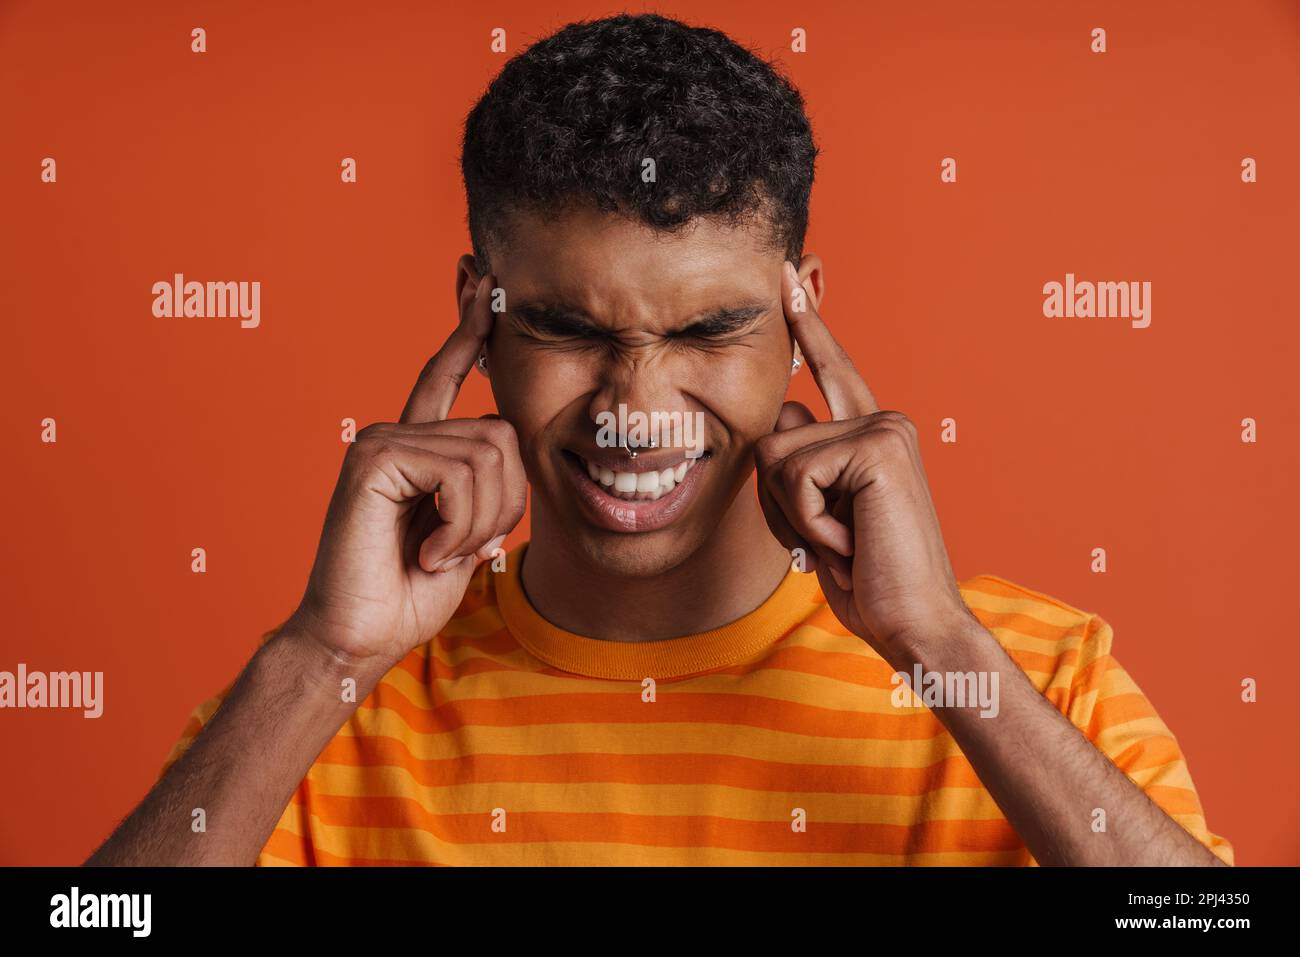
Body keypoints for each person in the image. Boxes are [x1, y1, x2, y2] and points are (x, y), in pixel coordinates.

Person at [87, 12, 1231, 867]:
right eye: (567, 328)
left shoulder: (1036, 678)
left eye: (709, 328)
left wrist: (936, 642)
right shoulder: (315, 709)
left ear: (801, 316)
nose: (635, 401)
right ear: (478, 316)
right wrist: (321, 663)